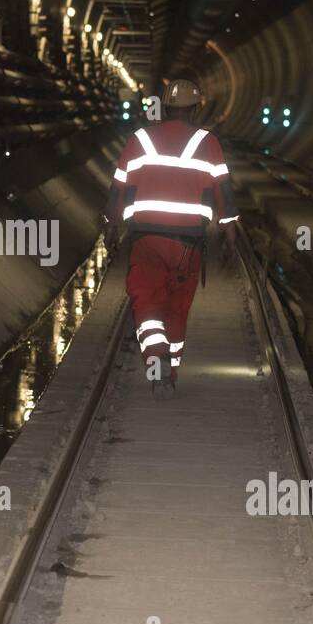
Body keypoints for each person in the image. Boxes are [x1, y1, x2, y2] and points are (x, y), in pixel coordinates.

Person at [101, 79, 238, 400]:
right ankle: (169, 373)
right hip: (189, 245)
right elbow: (224, 192)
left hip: (147, 239)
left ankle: (157, 359)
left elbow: (119, 186)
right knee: (177, 308)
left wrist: (110, 225)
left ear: (164, 107)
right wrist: (229, 235)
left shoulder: (139, 139)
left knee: (147, 302)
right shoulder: (209, 142)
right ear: (195, 108)